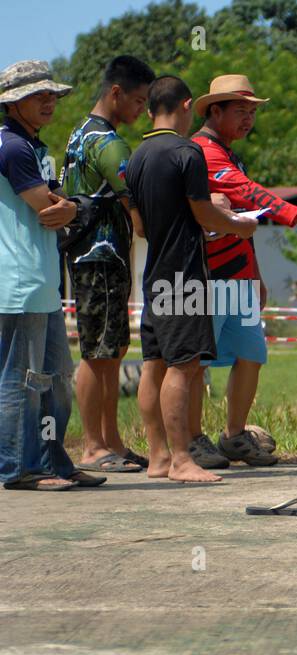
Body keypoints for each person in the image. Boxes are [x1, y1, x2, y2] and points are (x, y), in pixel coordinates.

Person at [190, 74, 297, 468]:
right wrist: (296, 213)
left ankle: (234, 435)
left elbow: (243, 217)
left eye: (252, 112)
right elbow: (248, 192)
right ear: (214, 111)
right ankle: (191, 440)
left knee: (252, 353)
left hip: (238, 277)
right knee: (197, 362)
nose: (249, 118)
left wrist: (256, 275)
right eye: (241, 110)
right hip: (210, 277)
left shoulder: (230, 153)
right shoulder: (203, 151)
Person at [124, 75, 256, 483]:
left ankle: (159, 457)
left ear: (150, 109)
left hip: (153, 271)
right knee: (184, 366)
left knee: (154, 364)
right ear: (186, 106)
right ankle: (183, 459)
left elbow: (140, 226)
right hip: (185, 272)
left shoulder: (137, 156)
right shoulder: (188, 152)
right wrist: (236, 225)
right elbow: (203, 214)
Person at [0, 59, 98, 491]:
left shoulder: (35, 147)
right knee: (20, 382)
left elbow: (62, 207)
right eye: (39, 95)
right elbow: (48, 208)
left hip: (43, 282)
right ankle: (17, 469)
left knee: (57, 380)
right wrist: (74, 208)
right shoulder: (13, 148)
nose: (49, 102)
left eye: (52, 95)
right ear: (15, 102)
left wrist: (71, 208)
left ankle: (52, 461)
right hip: (18, 282)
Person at [62, 55, 156, 474]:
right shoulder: (107, 142)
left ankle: (111, 442)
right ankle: (94, 447)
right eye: (137, 101)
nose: (141, 110)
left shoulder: (81, 134)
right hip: (99, 258)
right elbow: (134, 205)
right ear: (115, 93)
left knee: (112, 350)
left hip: (96, 258)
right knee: (98, 353)